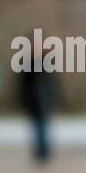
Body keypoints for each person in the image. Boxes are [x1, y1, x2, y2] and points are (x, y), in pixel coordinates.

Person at [17, 32, 57, 163]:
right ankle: (40, 152)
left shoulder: (47, 61)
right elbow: (23, 83)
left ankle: (44, 152)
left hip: (44, 101)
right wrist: (23, 99)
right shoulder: (27, 62)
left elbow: (52, 83)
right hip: (33, 101)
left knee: (43, 127)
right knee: (36, 127)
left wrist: (53, 99)